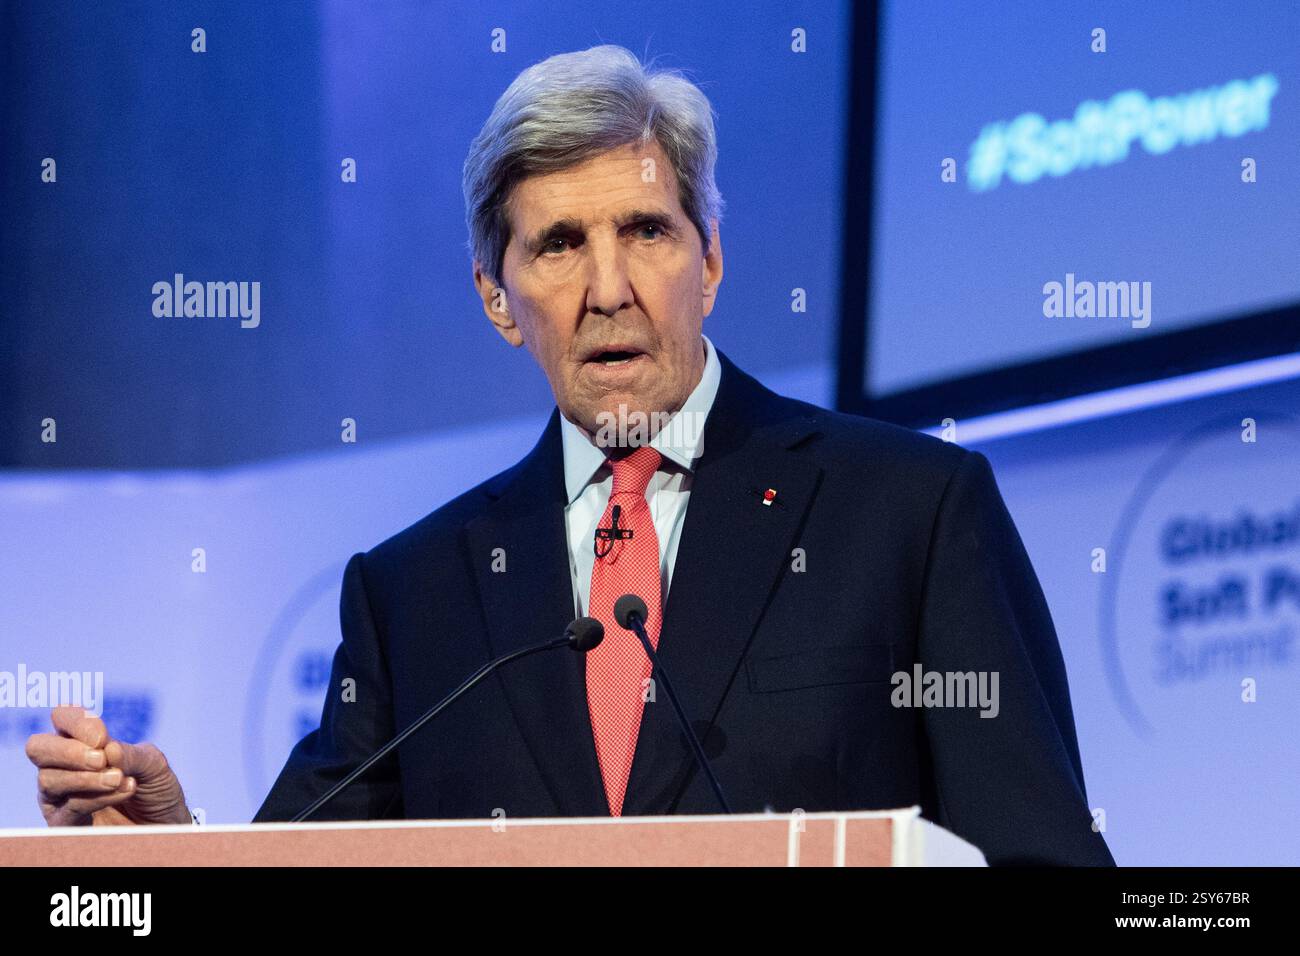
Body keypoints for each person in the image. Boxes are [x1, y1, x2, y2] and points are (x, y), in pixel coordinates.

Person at [25, 45, 1114, 865]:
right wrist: (163, 849)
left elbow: (1044, 860)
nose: (607, 287)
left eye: (645, 230)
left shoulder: (908, 511)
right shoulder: (417, 593)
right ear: (498, 302)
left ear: (713, 261)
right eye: (557, 244)